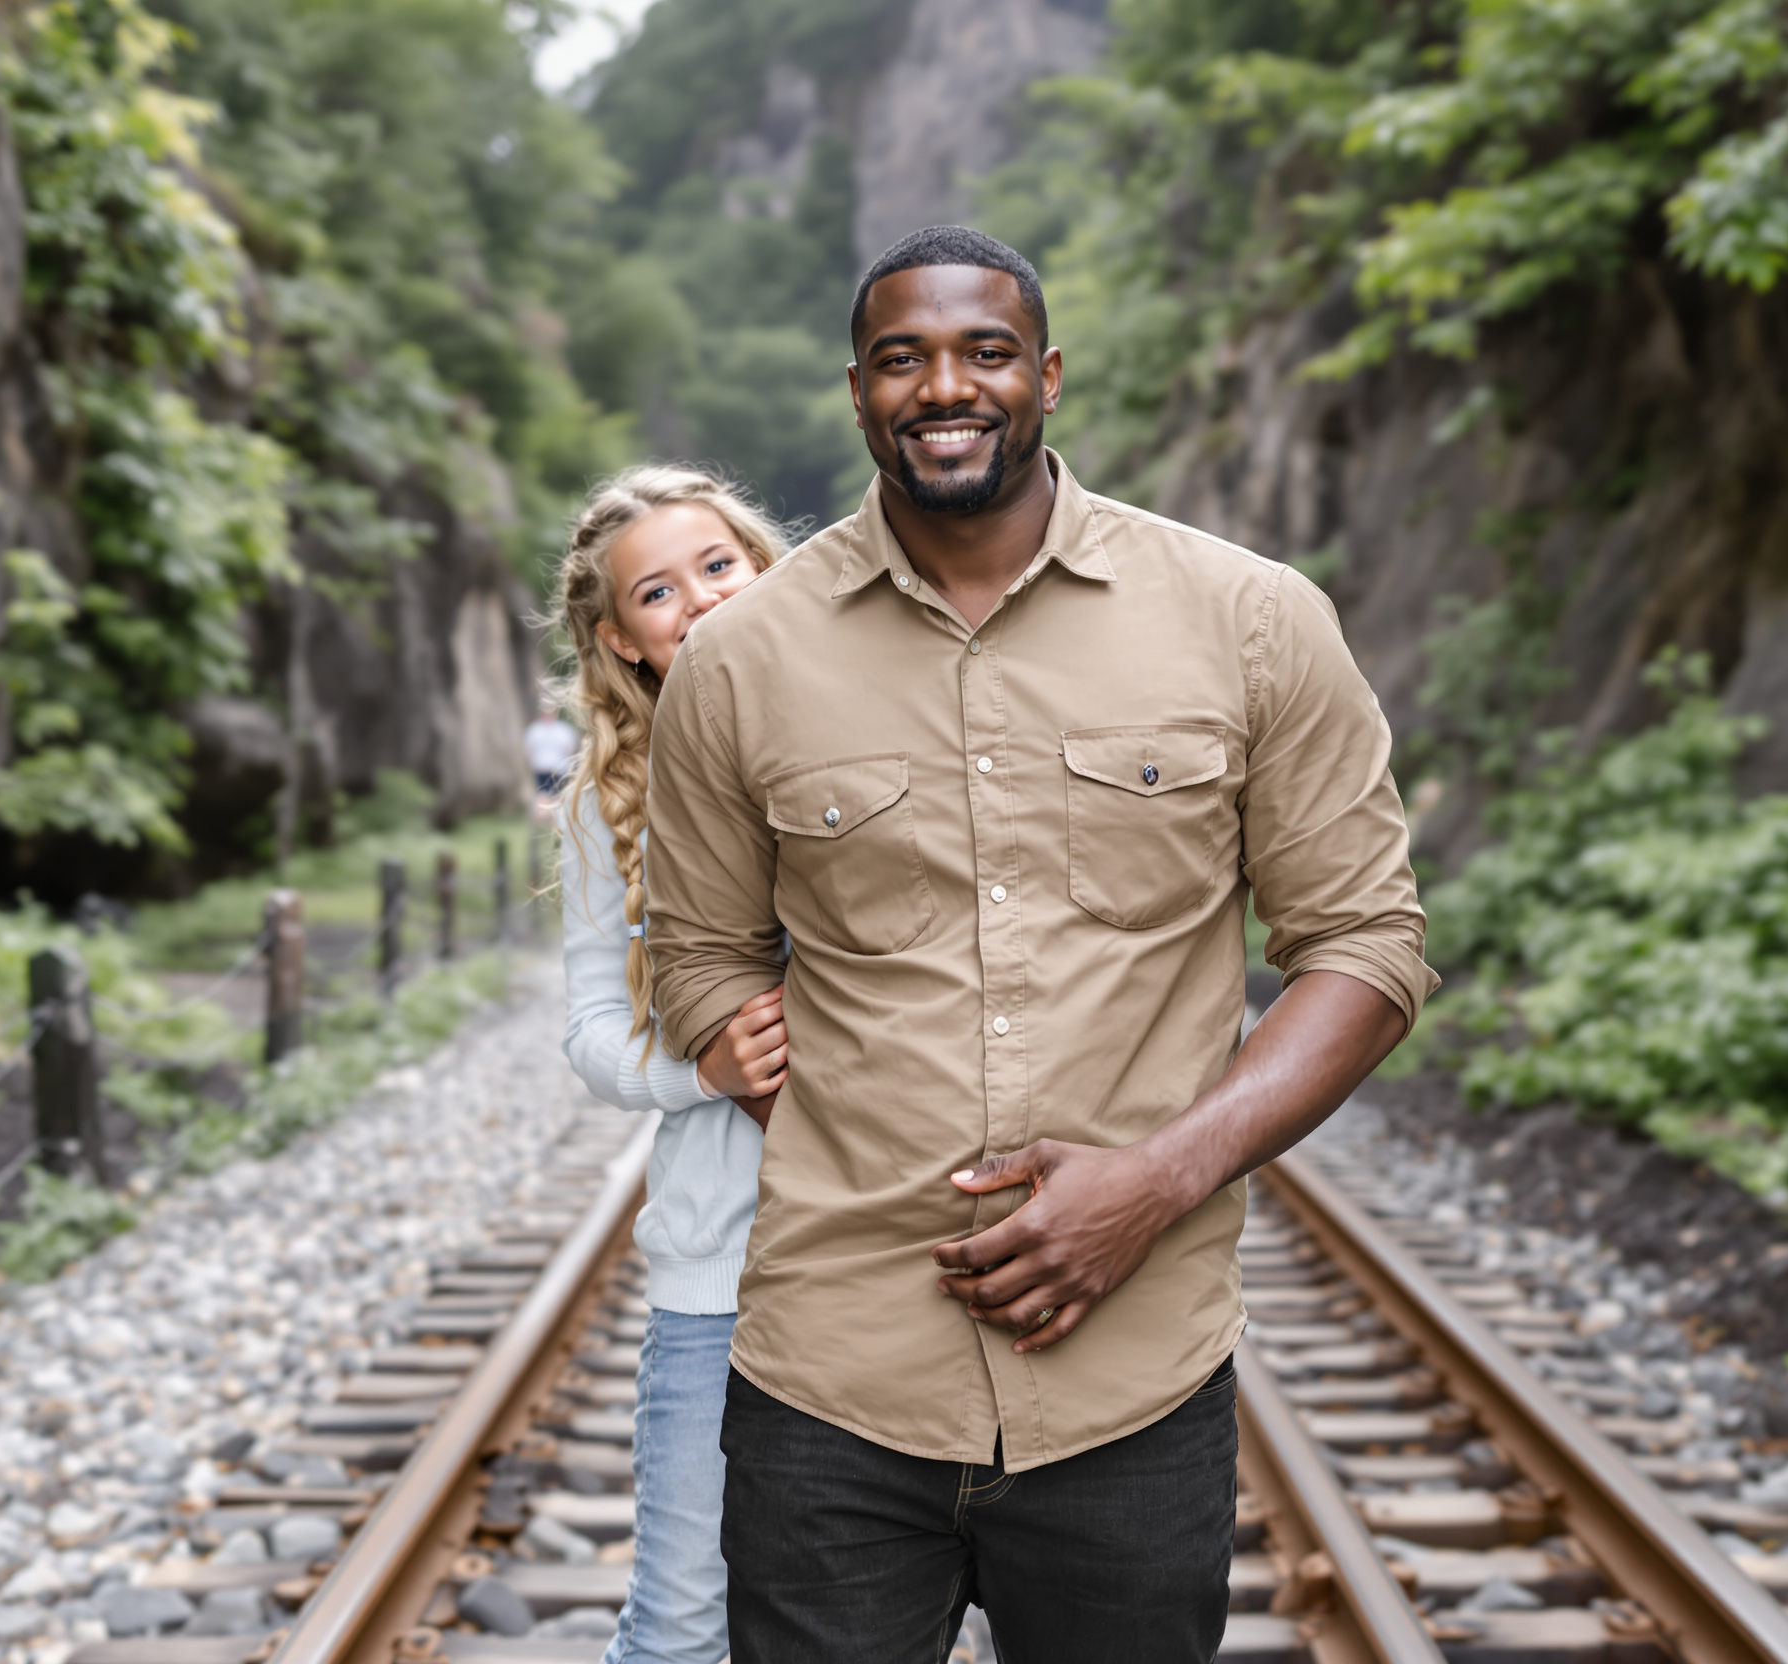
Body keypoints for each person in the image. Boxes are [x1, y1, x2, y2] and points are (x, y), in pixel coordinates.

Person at [641, 226, 1437, 1663]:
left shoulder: (1250, 622)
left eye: (985, 352)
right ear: (858, 391)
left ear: (1049, 376)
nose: (946, 386)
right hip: (832, 1379)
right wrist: (808, 1093)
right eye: (904, 359)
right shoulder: (739, 662)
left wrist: (1153, 1182)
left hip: (1131, 1385)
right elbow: (697, 954)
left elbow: (1368, 950)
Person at [553, 465, 793, 1664]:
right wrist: (698, 1070)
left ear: (765, 566)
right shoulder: (608, 799)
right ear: (621, 639)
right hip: (722, 1268)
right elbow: (591, 1025)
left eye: (717, 565)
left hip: (906, 1253)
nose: (698, 600)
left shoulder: (871, 723)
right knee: (683, 1621)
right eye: (658, 591)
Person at [526, 707, 580, 800]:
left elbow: (570, 750)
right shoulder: (535, 730)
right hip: (541, 769)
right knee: (543, 797)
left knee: (559, 796)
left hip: (559, 770)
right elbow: (528, 751)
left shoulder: (563, 730)